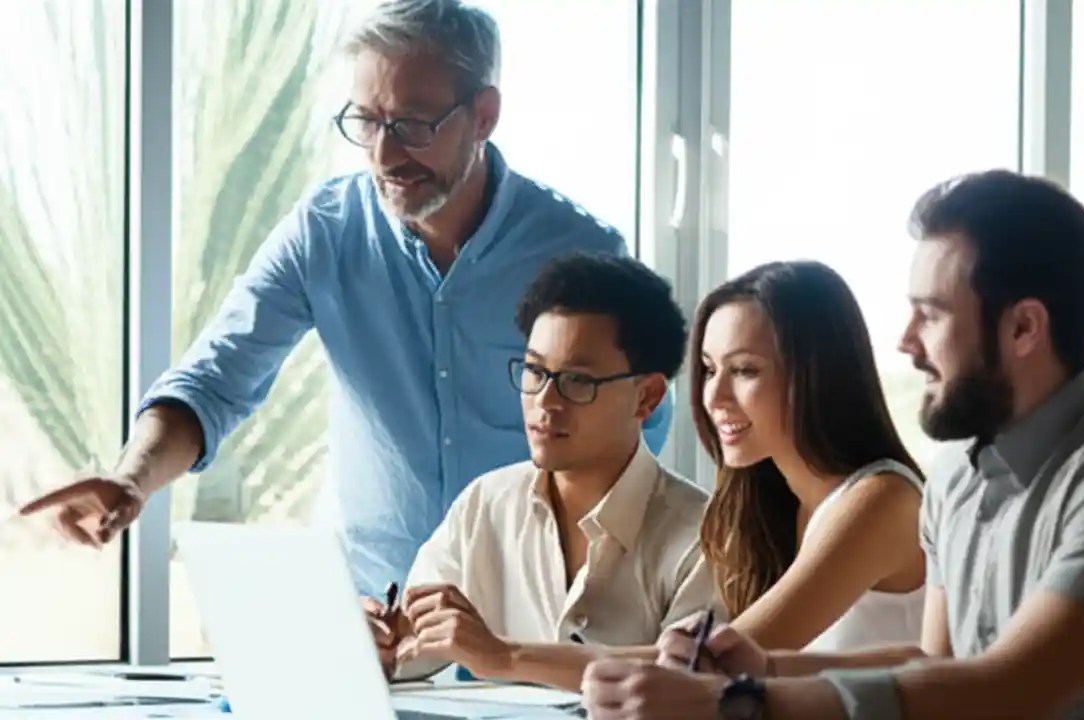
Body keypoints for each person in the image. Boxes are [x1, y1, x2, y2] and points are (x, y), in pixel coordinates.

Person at [18, 0, 670, 597]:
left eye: (413, 124)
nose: (385, 153)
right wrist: (132, 480)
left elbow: (640, 432)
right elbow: (213, 383)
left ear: (484, 115)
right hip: (373, 618)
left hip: (538, 617)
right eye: (367, 121)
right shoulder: (326, 231)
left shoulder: (582, 252)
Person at [580, 170, 1084, 720]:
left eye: (931, 313)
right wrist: (767, 667)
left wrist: (742, 702)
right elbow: (936, 663)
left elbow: (1014, 687)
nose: (905, 340)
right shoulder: (956, 475)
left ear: (1023, 328)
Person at [364, 252, 717, 689]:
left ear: (646, 398)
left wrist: (504, 657)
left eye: (577, 381)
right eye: (534, 371)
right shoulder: (486, 504)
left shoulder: (704, 537)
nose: (546, 402)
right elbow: (414, 647)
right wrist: (376, 646)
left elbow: (692, 681)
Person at [686, 260, 927, 654]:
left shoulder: (882, 499)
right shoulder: (775, 502)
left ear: (816, 375)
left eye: (745, 370)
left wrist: (548, 657)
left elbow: (723, 657)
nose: (714, 396)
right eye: (709, 369)